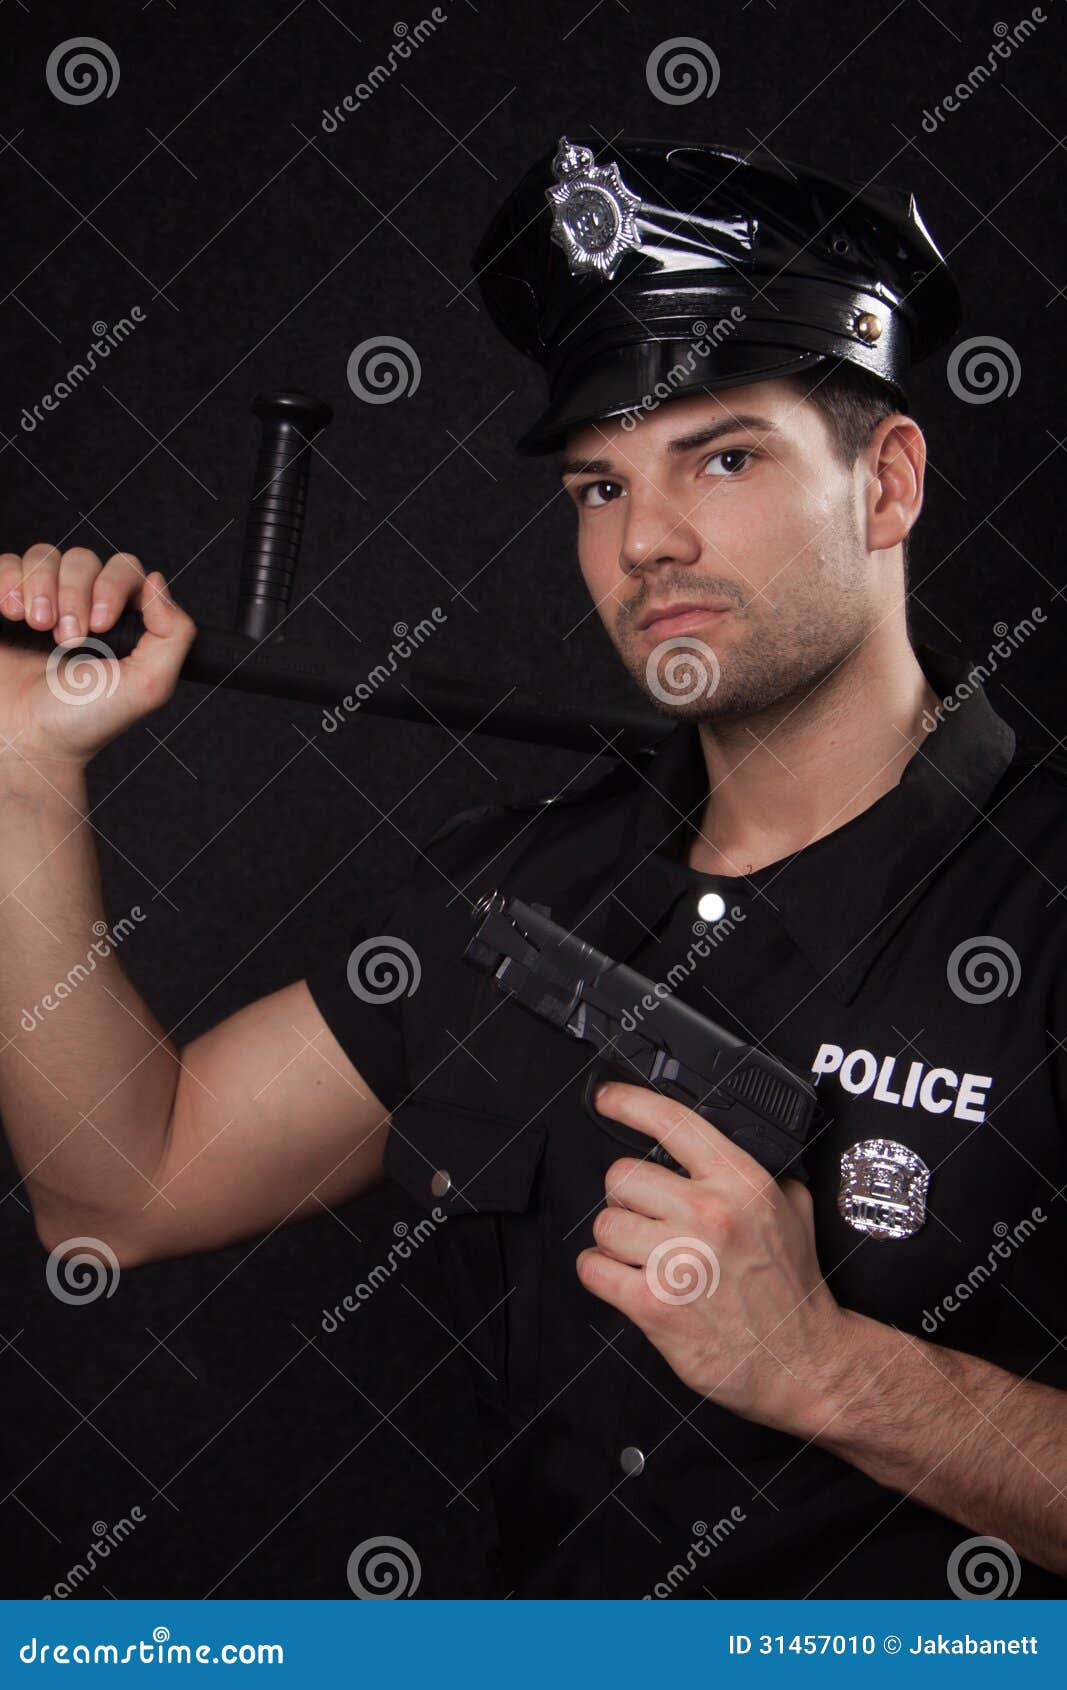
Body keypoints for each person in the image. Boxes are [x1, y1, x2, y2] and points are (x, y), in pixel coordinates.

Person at [1, 135, 1065, 1600]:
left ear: (885, 482)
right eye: (598, 487)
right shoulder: (528, 897)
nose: (649, 542)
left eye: (726, 456)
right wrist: (21, 779)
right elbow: (118, 1186)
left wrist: (827, 1369)